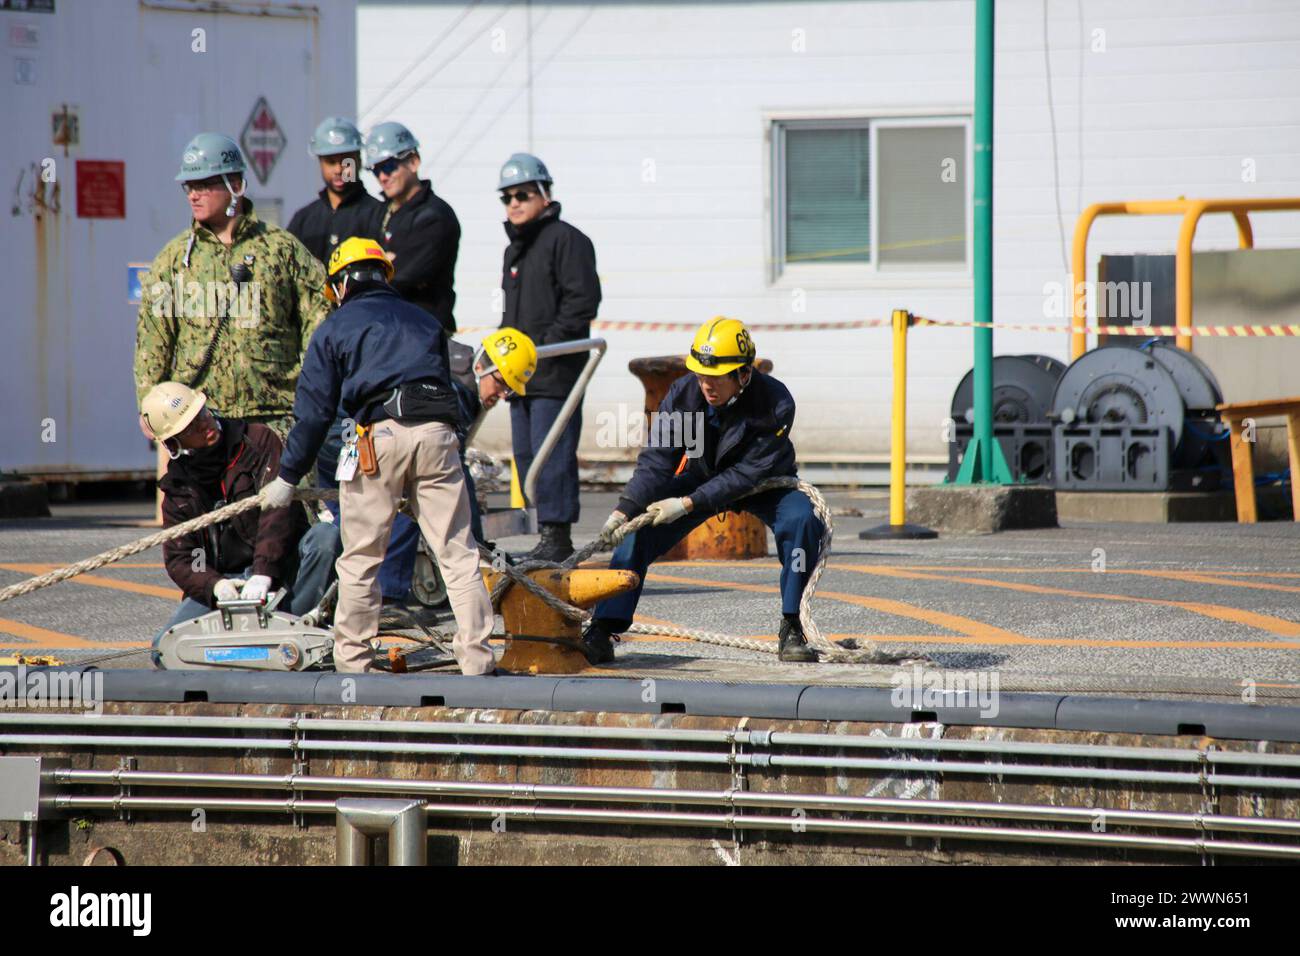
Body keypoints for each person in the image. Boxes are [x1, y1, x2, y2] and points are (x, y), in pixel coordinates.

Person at [262, 238, 496, 675]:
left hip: (377, 440)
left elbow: (313, 414)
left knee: (361, 558)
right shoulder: (425, 321)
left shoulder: (335, 327)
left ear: (340, 285)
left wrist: (287, 475)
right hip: (437, 437)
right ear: (382, 276)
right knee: (458, 554)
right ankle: (478, 663)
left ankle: (352, 665)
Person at [582, 318, 822, 665]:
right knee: (637, 532)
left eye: (715, 376)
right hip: (700, 479)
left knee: (802, 520)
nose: (706, 384)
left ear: (743, 374)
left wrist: (686, 503)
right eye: (700, 374)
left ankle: (793, 625)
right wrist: (624, 510)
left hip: (764, 484)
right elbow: (658, 461)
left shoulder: (775, 402)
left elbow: (746, 474)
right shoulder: (685, 396)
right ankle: (604, 627)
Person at [134, 133, 331, 439]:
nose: (193, 195)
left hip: (277, 419)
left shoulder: (281, 249)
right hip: (200, 424)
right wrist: (149, 404)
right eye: (189, 187)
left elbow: (319, 320)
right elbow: (153, 339)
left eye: (203, 185)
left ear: (235, 186)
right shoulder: (173, 260)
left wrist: (310, 390)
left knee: (289, 490)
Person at [141, 382, 342, 668]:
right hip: (228, 587)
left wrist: (263, 573)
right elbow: (182, 560)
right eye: (190, 428)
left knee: (325, 537)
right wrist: (215, 585)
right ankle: (256, 649)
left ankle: (298, 628)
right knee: (164, 651)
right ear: (174, 443)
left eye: (203, 414)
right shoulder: (178, 489)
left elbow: (277, 515)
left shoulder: (258, 442)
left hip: (282, 570)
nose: (204, 425)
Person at [496, 152, 601, 562]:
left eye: (522, 194)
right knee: (527, 458)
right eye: (507, 197)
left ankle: (558, 536)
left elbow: (582, 303)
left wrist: (543, 352)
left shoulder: (567, 240)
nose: (514, 203)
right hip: (522, 375)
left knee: (551, 453)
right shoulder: (514, 253)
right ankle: (546, 533)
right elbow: (510, 317)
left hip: (555, 372)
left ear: (544, 194)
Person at [364, 121, 461, 333]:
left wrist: (375, 269)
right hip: (386, 331)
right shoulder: (379, 213)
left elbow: (402, 277)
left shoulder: (436, 216)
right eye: (376, 169)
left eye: (389, 166)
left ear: (414, 162)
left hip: (424, 333)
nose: (382, 176)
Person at [287, 117, 385, 266]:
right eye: (331, 162)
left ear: (358, 159)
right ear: (320, 162)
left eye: (346, 161)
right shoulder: (303, 219)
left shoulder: (379, 215)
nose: (339, 170)